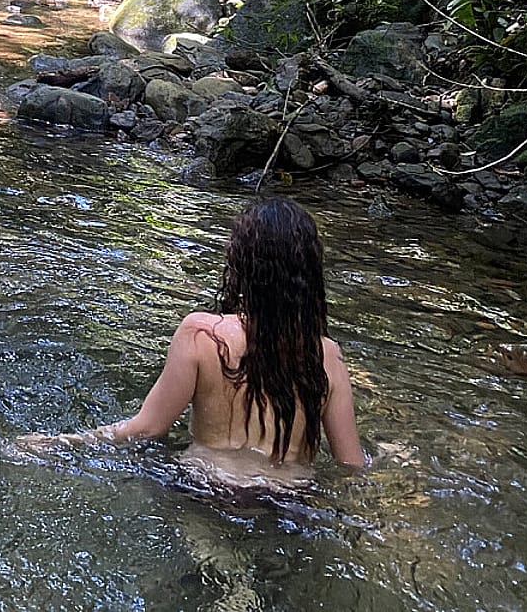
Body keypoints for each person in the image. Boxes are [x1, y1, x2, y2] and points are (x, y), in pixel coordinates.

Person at [19, 196, 365, 484]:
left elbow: (147, 428)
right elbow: (351, 465)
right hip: (290, 499)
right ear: (307, 274)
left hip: (206, 486)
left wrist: (61, 442)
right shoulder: (327, 356)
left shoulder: (201, 334)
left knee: (208, 564)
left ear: (241, 264)